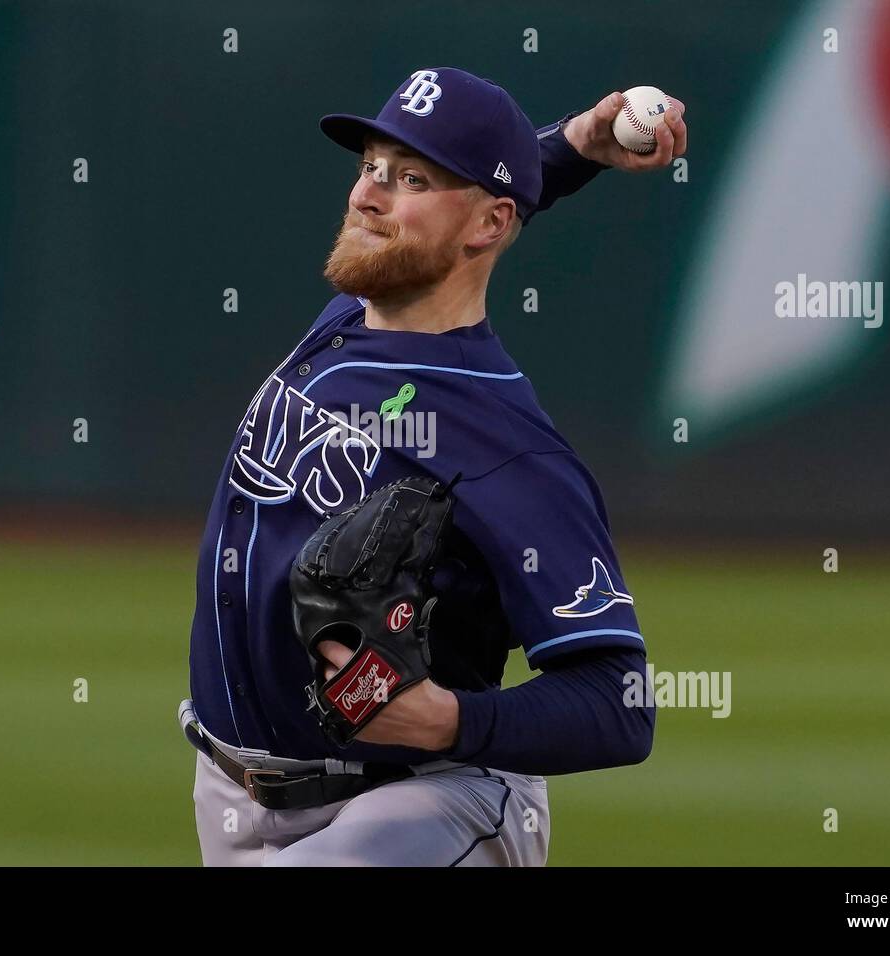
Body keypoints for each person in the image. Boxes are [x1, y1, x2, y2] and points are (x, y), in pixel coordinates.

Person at [180, 66, 688, 866]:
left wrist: (450, 720)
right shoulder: (353, 316)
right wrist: (579, 144)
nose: (368, 197)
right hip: (234, 798)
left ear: (489, 224)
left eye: (409, 178)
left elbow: (619, 704)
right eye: (369, 167)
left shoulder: (504, 440)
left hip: (416, 805)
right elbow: (483, 208)